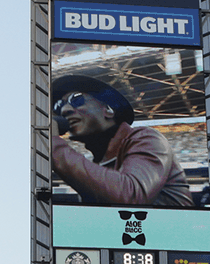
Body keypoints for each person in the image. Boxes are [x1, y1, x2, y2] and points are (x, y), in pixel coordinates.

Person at [50, 74, 193, 207]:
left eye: (76, 99)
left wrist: (54, 145)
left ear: (109, 110)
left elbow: (132, 197)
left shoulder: (147, 138)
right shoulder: (98, 162)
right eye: (59, 106)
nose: (64, 110)